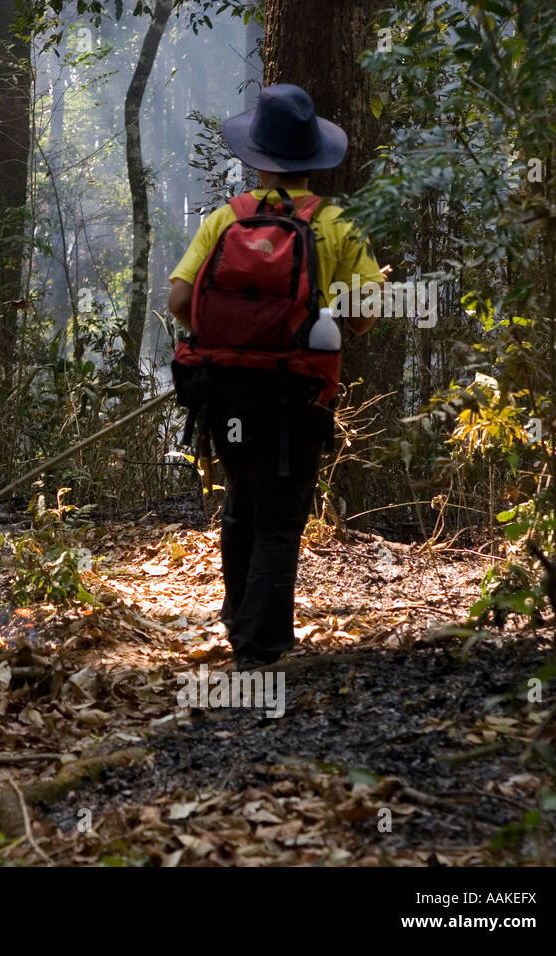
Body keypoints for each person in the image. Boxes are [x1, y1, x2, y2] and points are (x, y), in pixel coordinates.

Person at [166, 84, 384, 670]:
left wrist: (233, 337)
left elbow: (180, 300)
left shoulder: (225, 218)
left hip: (223, 390)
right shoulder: (339, 225)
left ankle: (242, 626)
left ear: (257, 159)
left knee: (241, 501)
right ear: (314, 159)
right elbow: (362, 320)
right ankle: (260, 651)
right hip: (295, 394)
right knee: (282, 515)